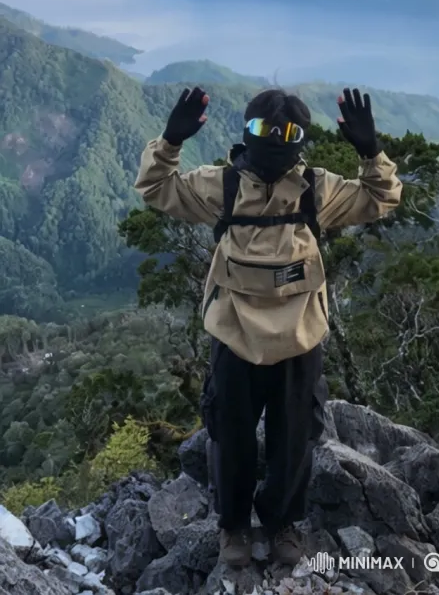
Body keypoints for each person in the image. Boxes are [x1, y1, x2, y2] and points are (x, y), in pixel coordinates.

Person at [134, 86, 402, 568]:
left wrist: (371, 151)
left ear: (300, 140)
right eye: (263, 130)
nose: (273, 142)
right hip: (237, 335)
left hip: (297, 337)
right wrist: (168, 142)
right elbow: (157, 188)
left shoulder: (315, 190)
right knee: (232, 433)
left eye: (286, 133)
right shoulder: (226, 186)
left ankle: (281, 523)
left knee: (293, 436)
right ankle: (234, 526)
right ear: (245, 133)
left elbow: (383, 197)